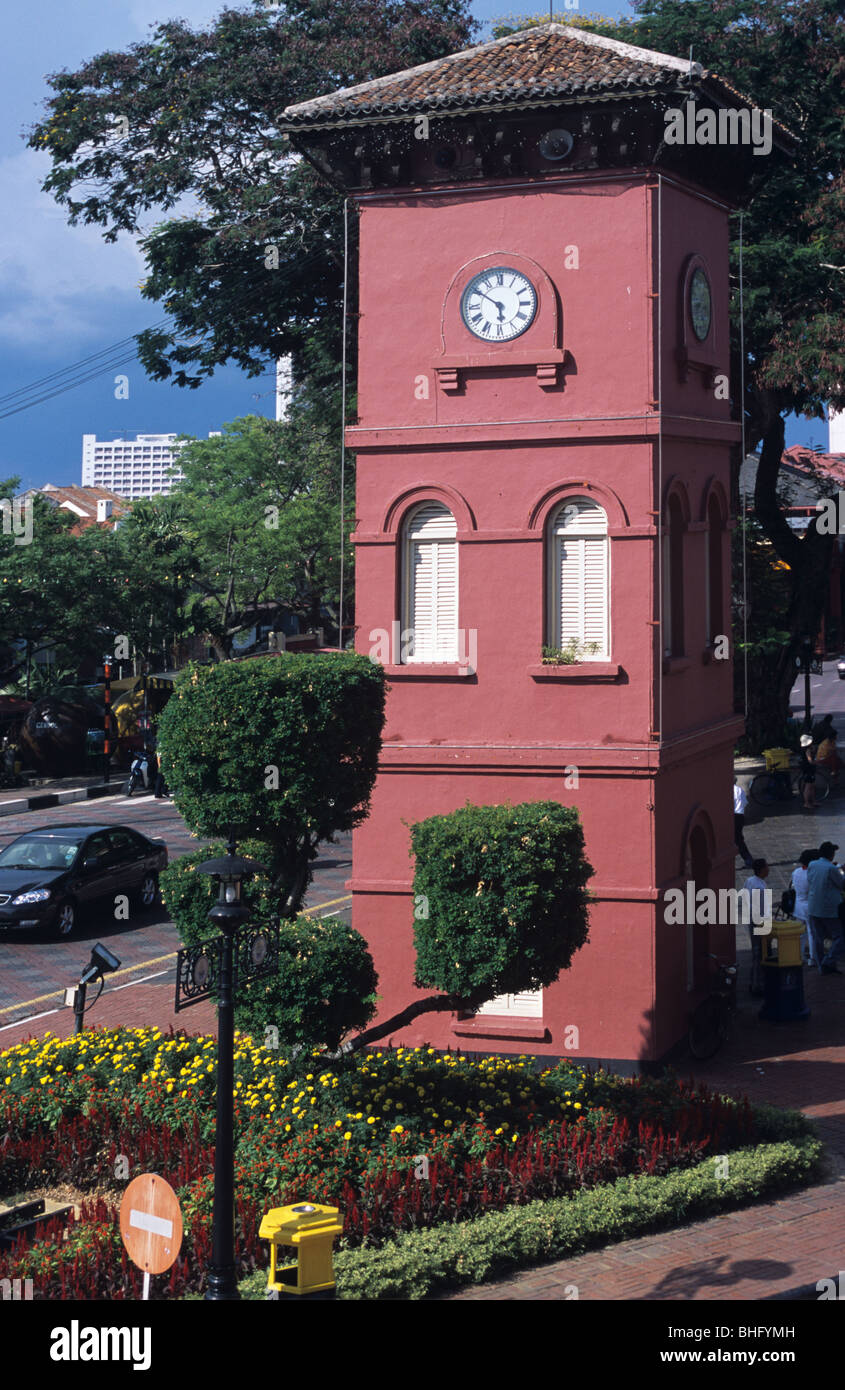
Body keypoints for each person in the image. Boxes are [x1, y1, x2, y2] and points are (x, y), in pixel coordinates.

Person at [806, 842, 845, 976]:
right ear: (831, 855)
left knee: (818, 938)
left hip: (813, 907)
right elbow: (842, 884)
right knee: (840, 937)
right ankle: (827, 962)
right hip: (828, 909)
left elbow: (812, 880)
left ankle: (823, 966)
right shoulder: (831, 869)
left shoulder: (812, 864)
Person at [744, 858, 770, 995]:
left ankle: (754, 982)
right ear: (762, 869)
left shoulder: (750, 881)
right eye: (767, 867)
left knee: (756, 953)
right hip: (758, 922)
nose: (769, 869)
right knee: (759, 953)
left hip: (751, 919)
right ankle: (757, 984)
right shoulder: (759, 887)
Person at [790, 849, 817, 966]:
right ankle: (812, 957)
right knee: (812, 933)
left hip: (798, 906)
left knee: (801, 933)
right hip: (809, 905)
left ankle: (799, 955)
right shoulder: (811, 874)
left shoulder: (796, 872)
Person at [733, 778, 753, 868]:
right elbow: (744, 803)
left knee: (737, 839)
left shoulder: (726, 790)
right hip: (740, 815)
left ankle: (748, 859)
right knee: (738, 839)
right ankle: (748, 859)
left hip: (732, 816)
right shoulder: (739, 790)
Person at [798, 734, 817, 809]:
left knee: (811, 786)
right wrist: (817, 761)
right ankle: (806, 803)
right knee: (808, 786)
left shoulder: (804, 749)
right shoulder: (807, 750)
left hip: (807, 769)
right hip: (809, 769)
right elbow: (810, 761)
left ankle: (813, 801)